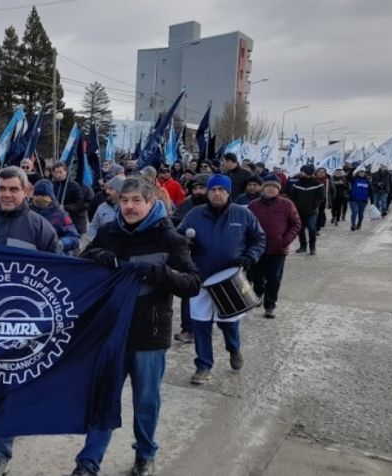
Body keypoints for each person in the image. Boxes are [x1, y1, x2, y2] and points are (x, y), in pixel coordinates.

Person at [71, 177, 201, 476]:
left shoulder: (171, 238)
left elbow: (193, 284)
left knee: (145, 401)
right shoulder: (108, 232)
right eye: (125, 201)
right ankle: (89, 461)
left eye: (136, 201)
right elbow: (83, 262)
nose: (129, 206)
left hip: (149, 336)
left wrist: (160, 273)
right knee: (104, 399)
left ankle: (145, 454)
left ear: (151, 202)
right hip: (110, 332)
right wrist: (96, 255)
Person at [0, 166, 58, 476]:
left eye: (13, 190)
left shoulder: (41, 229)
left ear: (26, 191)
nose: (6, 195)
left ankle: (0, 452)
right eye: (2, 189)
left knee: (9, 385)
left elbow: (57, 277)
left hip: (21, 322)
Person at [178, 174, 265, 386]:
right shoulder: (194, 215)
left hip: (231, 280)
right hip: (201, 279)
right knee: (200, 324)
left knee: (229, 324)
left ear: (228, 193)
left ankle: (234, 349)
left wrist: (249, 257)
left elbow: (259, 239)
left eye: (221, 190)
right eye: (213, 190)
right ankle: (203, 365)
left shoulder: (243, 214)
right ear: (208, 192)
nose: (217, 193)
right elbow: (178, 240)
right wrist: (185, 248)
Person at [247, 175, 301, 319]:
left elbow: (296, 224)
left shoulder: (287, 205)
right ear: (263, 188)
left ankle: (270, 305)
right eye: (268, 186)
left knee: (274, 278)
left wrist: (285, 240)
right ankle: (258, 294)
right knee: (256, 277)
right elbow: (247, 225)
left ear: (279, 189)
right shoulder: (253, 205)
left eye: (274, 187)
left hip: (278, 249)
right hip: (257, 249)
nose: (271, 189)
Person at [170, 173, 209, 344]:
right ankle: (188, 329)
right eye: (195, 188)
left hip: (212, 257)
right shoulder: (187, 204)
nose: (199, 191)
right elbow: (175, 224)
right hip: (191, 256)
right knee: (189, 291)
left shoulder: (218, 206)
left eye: (202, 188)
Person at [29, 179, 80, 255]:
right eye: (36, 195)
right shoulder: (27, 212)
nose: (39, 198)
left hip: (52, 256)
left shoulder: (60, 215)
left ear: (51, 196)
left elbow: (74, 238)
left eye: (43, 195)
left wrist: (61, 243)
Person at [288, 165, 326, 254]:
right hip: (299, 211)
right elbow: (292, 195)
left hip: (312, 211)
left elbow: (321, 197)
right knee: (300, 229)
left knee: (311, 228)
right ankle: (303, 246)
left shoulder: (318, 184)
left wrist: (314, 205)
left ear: (308, 172)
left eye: (303, 171)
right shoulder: (297, 183)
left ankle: (312, 247)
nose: (301, 173)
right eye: (301, 171)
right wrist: (295, 205)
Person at [52, 161, 92, 232]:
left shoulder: (74, 186)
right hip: (59, 222)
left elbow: (80, 205)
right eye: (56, 172)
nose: (58, 175)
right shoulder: (53, 185)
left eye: (61, 172)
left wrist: (65, 207)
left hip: (74, 223)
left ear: (66, 172)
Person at [85, 176, 125, 242]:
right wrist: (94, 241)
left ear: (119, 191)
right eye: (107, 188)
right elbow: (94, 226)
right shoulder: (102, 207)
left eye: (111, 189)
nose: (107, 191)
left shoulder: (127, 209)